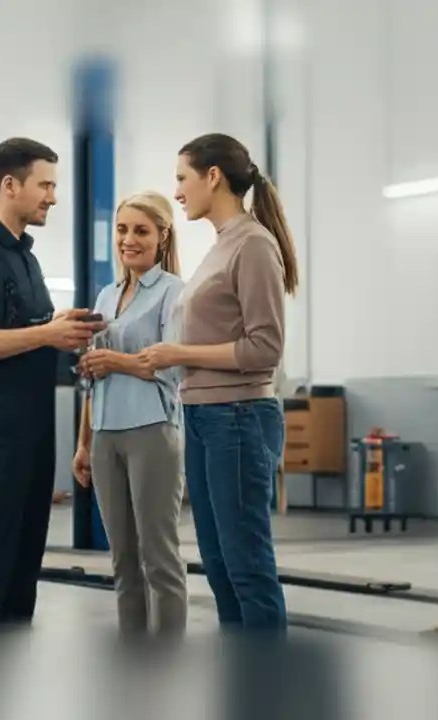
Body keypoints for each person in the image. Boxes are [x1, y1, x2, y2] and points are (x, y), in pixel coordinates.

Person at [0, 137, 105, 626]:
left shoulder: (25, 258)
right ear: (10, 185)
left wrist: (58, 326)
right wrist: (46, 333)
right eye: (45, 185)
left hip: (32, 432)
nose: (52, 197)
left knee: (24, 557)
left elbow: (22, 330)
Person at [139, 133, 300, 634]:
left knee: (246, 563)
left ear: (213, 176)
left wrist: (179, 353)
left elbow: (264, 349)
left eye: (182, 179)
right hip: (206, 416)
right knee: (220, 563)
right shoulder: (222, 245)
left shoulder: (252, 244)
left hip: (239, 417)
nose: (179, 192)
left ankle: (267, 685)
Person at [72, 191, 188, 639]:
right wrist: (83, 444)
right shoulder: (107, 293)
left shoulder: (174, 292)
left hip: (151, 433)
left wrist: (115, 362)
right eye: (122, 229)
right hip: (104, 436)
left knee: (158, 556)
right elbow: (91, 374)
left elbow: (172, 365)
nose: (129, 239)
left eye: (141, 230)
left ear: (162, 236)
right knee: (122, 561)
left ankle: (169, 662)